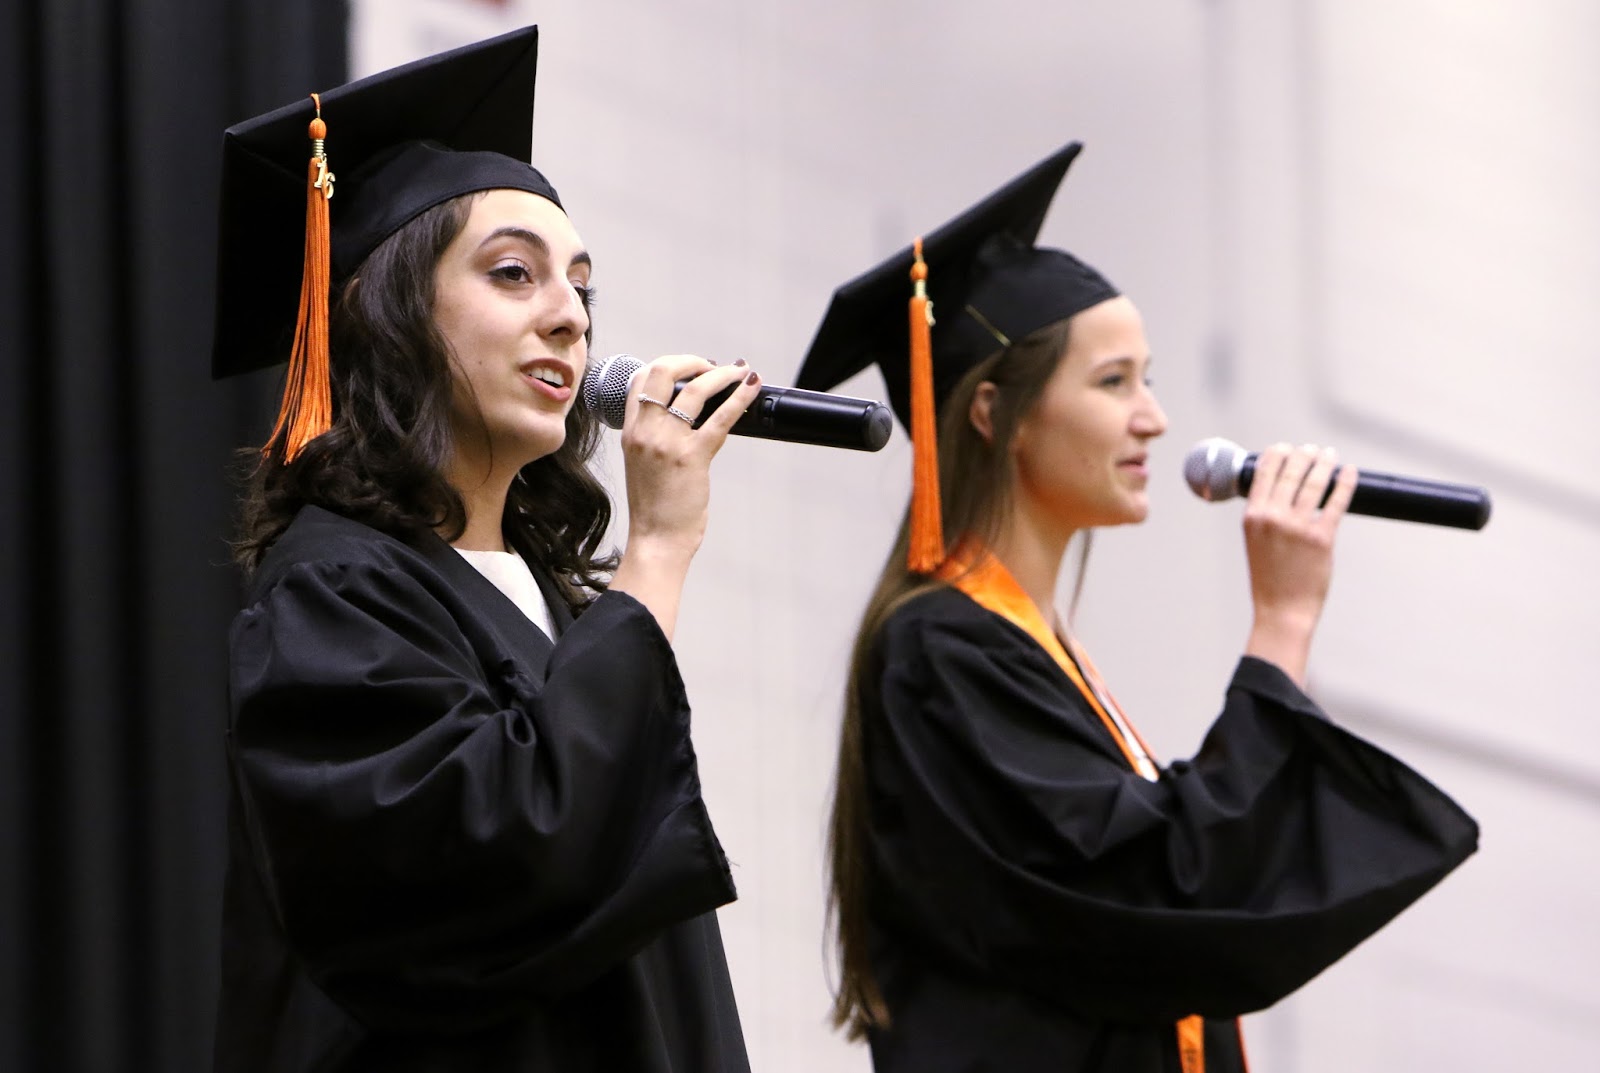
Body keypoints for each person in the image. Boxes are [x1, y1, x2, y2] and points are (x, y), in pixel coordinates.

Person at [796, 142, 1479, 1073]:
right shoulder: (939, 651)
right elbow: (1161, 888)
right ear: (994, 413)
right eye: (1114, 381)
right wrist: (1279, 626)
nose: (1154, 416)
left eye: (1147, 378)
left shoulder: (1022, 650)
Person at [209, 27, 757, 1072]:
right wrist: (660, 550)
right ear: (390, 312)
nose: (568, 317)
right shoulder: (335, 591)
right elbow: (497, 864)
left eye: (580, 289)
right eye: (514, 274)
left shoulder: (560, 605)